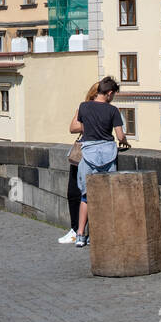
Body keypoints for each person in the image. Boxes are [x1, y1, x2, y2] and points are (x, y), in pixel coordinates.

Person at [67, 77, 129, 248]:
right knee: (107, 195)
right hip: (108, 153)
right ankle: (102, 233)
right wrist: (125, 142)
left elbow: (75, 127)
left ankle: (80, 235)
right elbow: (120, 136)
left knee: (86, 196)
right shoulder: (113, 110)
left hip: (88, 153)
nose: (113, 98)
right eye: (113, 95)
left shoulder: (83, 106)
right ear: (109, 93)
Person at [58, 81, 104, 244]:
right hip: (81, 155)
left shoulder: (107, 109)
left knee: (93, 195)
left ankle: (89, 232)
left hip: (97, 155)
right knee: (73, 193)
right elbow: (73, 127)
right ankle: (75, 229)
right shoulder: (84, 107)